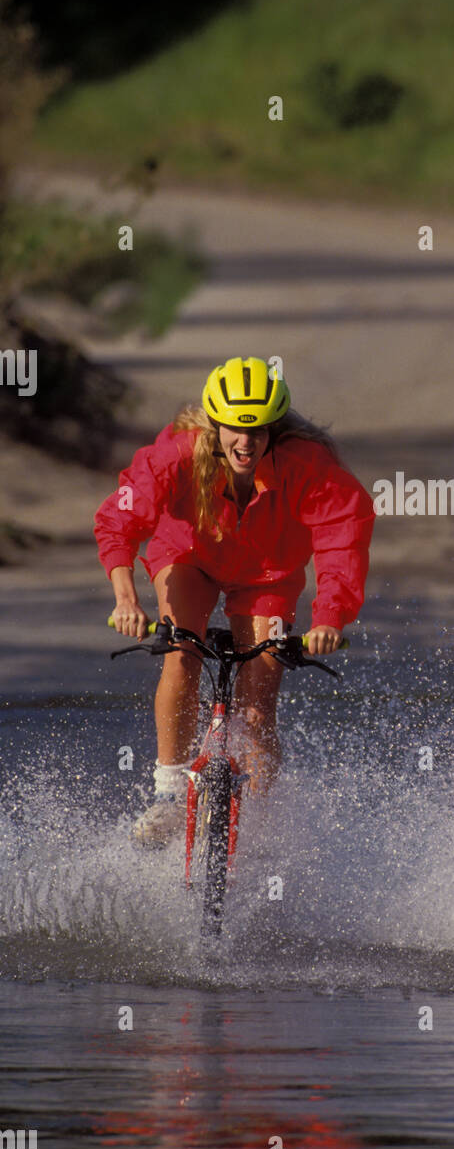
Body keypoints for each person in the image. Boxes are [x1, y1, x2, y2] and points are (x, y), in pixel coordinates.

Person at [95, 356, 374, 846]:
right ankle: (166, 795)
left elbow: (341, 540)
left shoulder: (307, 465)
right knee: (182, 652)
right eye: (235, 430)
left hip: (268, 572)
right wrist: (126, 600)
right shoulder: (178, 455)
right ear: (215, 424)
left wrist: (329, 617)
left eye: (259, 431)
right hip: (190, 557)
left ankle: (260, 829)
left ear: (275, 428)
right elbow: (119, 520)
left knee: (258, 708)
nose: (246, 443)